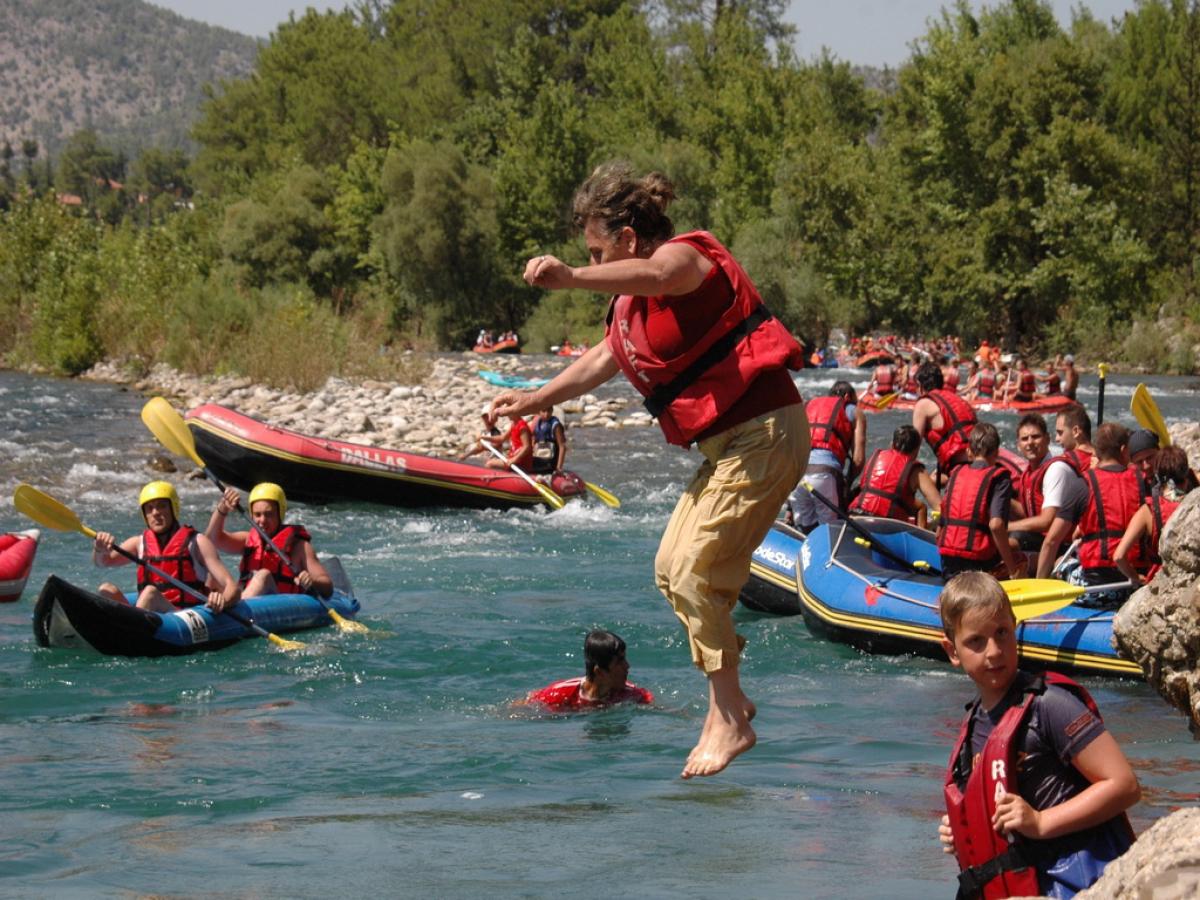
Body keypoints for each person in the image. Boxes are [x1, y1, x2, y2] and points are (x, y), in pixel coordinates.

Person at [492, 162, 808, 778]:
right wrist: (533, 400)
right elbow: (604, 358)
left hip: (766, 434)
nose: (592, 259)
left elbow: (661, 272)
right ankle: (732, 698)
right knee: (670, 570)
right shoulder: (630, 309)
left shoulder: (686, 260)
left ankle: (728, 719)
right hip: (729, 448)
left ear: (628, 239)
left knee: (695, 571)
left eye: (596, 247)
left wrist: (570, 276)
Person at [937, 572, 1140, 898]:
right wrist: (963, 830)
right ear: (952, 650)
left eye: (1002, 633)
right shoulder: (975, 723)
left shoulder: (1050, 705)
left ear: (1015, 628)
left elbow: (1124, 785)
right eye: (976, 641)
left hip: (1075, 881)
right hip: (1021, 881)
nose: (993, 651)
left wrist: (1041, 821)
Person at [93, 481, 240, 613]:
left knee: (150, 593)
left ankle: (133, 637)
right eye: (149, 509)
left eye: (161, 506)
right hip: (148, 614)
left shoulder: (197, 542)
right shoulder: (139, 543)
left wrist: (222, 601)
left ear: (173, 508)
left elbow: (232, 587)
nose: (155, 513)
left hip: (182, 615)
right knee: (106, 590)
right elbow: (103, 562)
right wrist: (99, 550)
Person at [206, 483, 332, 598]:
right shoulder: (247, 539)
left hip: (280, 604)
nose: (263, 520)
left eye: (269, 514)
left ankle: (238, 607)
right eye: (257, 514)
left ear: (280, 514)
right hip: (247, 597)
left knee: (264, 575)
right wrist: (222, 509)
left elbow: (327, 586)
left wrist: (311, 581)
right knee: (212, 567)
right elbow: (212, 539)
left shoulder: (300, 547)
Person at [937, 423, 1026, 580]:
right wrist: (1012, 568)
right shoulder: (1000, 477)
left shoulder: (955, 473)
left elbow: (942, 518)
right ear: (997, 452)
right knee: (1020, 557)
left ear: (969, 452)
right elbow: (996, 525)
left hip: (947, 556)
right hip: (978, 559)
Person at [786, 381, 866, 532]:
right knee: (830, 531)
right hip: (825, 474)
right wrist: (847, 485)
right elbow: (858, 460)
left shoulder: (807, 406)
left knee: (803, 531)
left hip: (797, 476)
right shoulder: (853, 411)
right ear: (848, 396)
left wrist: (789, 506)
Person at [1077, 423, 1145, 599]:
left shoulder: (1085, 481)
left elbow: (1054, 539)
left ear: (1096, 453)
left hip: (1097, 579)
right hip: (1136, 572)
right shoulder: (1141, 479)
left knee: (1063, 567)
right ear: (1124, 450)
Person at [1114, 446, 1197, 586]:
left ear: (1157, 475)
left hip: (1161, 580)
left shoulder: (1149, 510)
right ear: (1186, 473)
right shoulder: (1195, 504)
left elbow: (1119, 556)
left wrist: (1135, 577)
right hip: (1193, 579)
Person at [525, 630, 654, 710]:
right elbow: (524, 706)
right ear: (600, 672)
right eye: (620, 662)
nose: (627, 666)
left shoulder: (634, 696)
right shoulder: (560, 694)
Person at [849, 424, 942, 527]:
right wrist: (933, 525)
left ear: (892, 444)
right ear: (916, 450)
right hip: (885, 525)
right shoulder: (916, 471)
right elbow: (940, 507)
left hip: (855, 515)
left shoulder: (876, 457)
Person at [912, 360, 977, 480]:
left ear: (920, 386)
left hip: (961, 467)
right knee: (933, 479)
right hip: (979, 462)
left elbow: (912, 449)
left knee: (921, 482)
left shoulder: (923, 404)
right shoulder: (957, 399)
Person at [530, 405, 567, 476]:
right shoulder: (537, 423)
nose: (546, 414)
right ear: (539, 412)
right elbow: (533, 442)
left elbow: (562, 447)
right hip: (539, 460)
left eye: (549, 411)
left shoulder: (556, 425)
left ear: (552, 411)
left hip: (550, 463)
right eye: (543, 411)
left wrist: (559, 468)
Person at [1126, 428, 1159, 506]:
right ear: (1132, 463)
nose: (1146, 466)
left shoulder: (1178, 474)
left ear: (1159, 451)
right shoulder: (1133, 489)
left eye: (1150, 458)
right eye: (1139, 462)